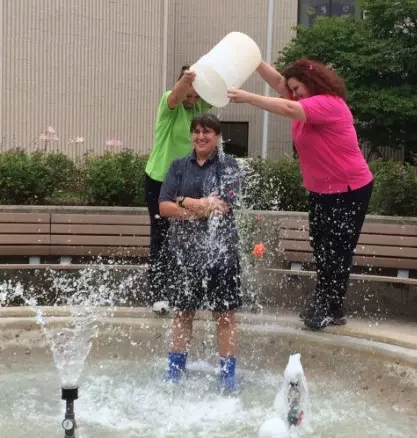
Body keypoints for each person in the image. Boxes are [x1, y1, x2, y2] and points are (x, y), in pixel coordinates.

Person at [227, 59, 373, 331]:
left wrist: (248, 98)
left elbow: (286, 106)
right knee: (322, 246)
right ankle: (334, 305)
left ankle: (325, 304)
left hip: (350, 188)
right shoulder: (302, 98)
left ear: (312, 84)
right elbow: (281, 85)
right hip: (322, 189)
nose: (293, 93)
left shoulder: (329, 103)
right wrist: (255, 60)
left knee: (336, 249)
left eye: (297, 88)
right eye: (292, 89)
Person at [159, 113, 242, 391]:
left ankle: (227, 375)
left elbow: (222, 207)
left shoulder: (229, 166)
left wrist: (183, 201)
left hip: (222, 253)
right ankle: (175, 369)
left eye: (207, 132)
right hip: (184, 253)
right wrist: (197, 206)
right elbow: (163, 207)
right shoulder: (178, 165)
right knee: (183, 313)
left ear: (216, 136)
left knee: (225, 315)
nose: (201, 136)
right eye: (196, 131)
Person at [144, 66, 212, 313]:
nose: (192, 100)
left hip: (186, 182)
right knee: (161, 236)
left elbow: (215, 95)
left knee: (190, 234)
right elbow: (175, 96)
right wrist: (187, 78)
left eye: (196, 96)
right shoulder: (169, 103)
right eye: (189, 95)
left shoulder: (198, 109)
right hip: (159, 179)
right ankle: (159, 293)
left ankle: (188, 290)